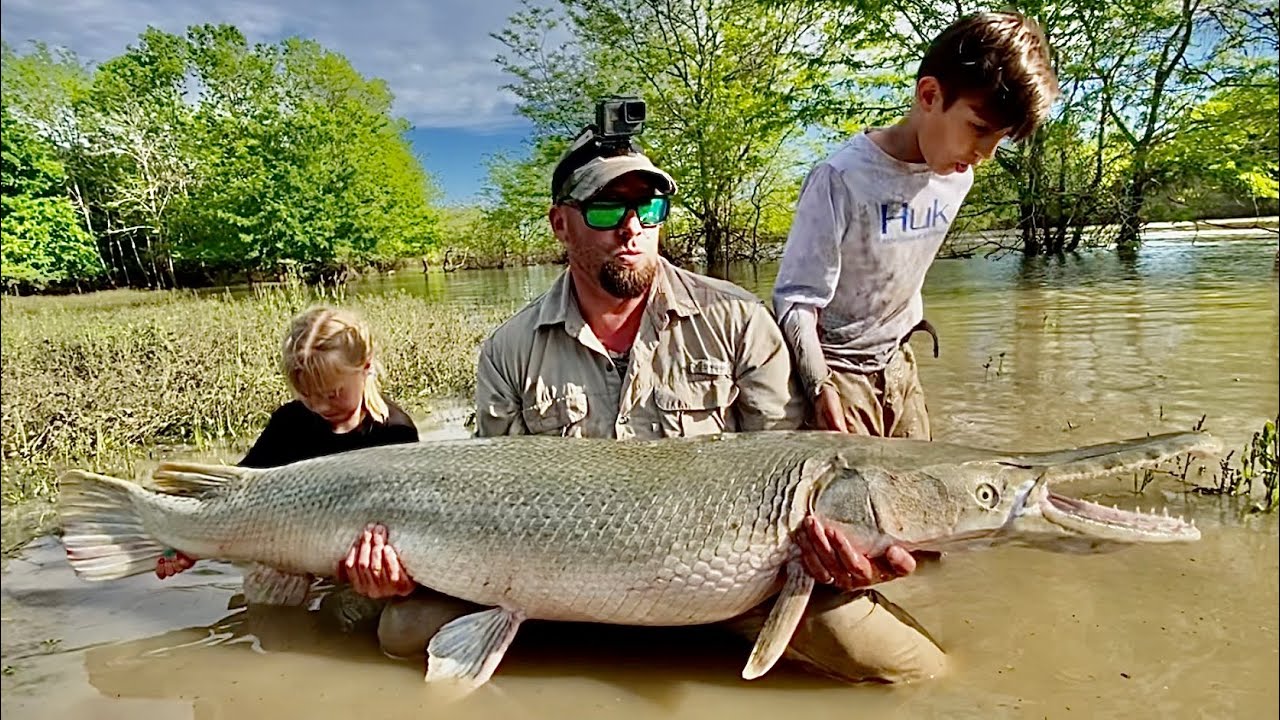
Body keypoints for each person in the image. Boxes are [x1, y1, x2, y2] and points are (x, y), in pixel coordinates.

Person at [365, 121, 938, 682]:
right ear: (560, 224)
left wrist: (839, 557)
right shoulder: (509, 350)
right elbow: (487, 502)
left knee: (911, 667)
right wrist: (406, 568)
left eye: (651, 208)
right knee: (401, 629)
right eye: (608, 209)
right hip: (553, 583)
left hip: (732, 585)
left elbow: (792, 462)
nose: (633, 228)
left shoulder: (738, 321)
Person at [772, 11, 1060, 440]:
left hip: (899, 364)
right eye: (978, 129)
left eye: (998, 140)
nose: (985, 153)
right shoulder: (841, 179)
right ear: (929, 95)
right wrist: (818, 385)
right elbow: (795, 301)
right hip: (837, 370)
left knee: (929, 489)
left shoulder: (958, 178)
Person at [154, 305, 420, 585]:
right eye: (307, 395)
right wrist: (183, 545)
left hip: (359, 568)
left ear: (365, 367)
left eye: (332, 394)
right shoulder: (290, 422)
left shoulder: (395, 432)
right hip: (288, 556)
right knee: (266, 600)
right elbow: (232, 499)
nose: (319, 406)